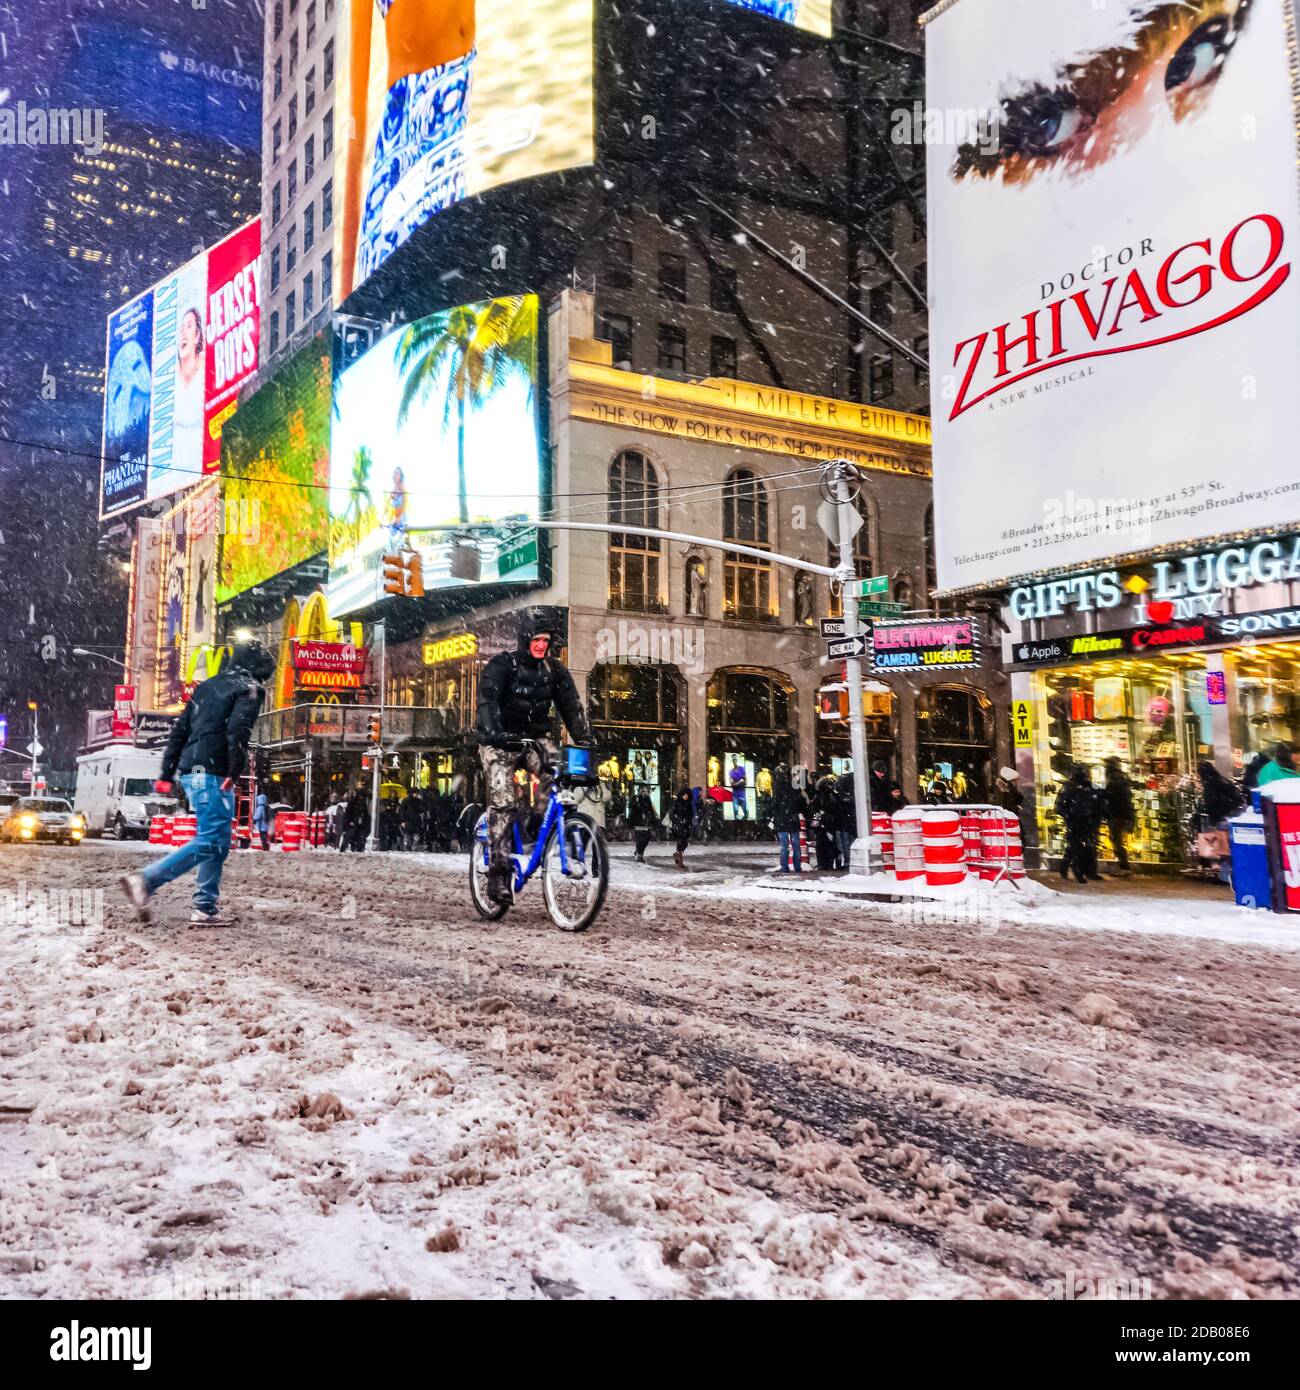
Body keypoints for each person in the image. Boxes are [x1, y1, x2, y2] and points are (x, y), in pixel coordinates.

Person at [119, 640, 275, 926]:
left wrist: (167, 773)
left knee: (217, 842)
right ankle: (146, 881)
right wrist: (234, 770)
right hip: (215, 770)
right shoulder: (249, 687)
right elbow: (238, 730)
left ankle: (205, 907)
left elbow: (180, 731)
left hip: (191, 769)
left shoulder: (207, 686)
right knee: (212, 839)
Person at [476, 616, 591, 904]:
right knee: (503, 802)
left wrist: (586, 740)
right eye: (536, 640)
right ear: (526, 640)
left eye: (545, 641)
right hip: (499, 742)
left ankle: (538, 826)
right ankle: (498, 876)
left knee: (561, 775)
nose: (541, 646)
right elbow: (487, 702)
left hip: (535, 740)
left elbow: (572, 709)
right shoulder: (502, 665)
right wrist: (494, 732)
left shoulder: (555, 671)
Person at [1054, 765, 1102, 885]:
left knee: (1085, 846)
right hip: (1076, 820)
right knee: (1076, 846)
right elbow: (1059, 806)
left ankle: (1086, 871)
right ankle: (1077, 870)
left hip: (1086, 821)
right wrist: (1069, 816)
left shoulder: (1087, 786)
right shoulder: (1070, 787)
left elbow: (1098, 801)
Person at [1198, 760, 1243, 885]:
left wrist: (1213, 821)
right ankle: (1234, 873)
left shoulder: (1209, 785)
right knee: (1231, 847)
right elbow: (1237, 797)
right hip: (1233, 816)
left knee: (1223, 849)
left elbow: (1211, 805)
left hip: (1221, 818)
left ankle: (1225, 875)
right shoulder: (1223, 781)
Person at [772, 767, 810, 874]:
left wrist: (772, 814)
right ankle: (797, 867)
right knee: (795, 844)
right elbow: (801, 802)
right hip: (793, 818)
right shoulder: (795, 786)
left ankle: (785, 867)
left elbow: (774, 804)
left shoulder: (778, 787)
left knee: (784, 846)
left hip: (782, 819)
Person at [1100, 757, 1135, 874]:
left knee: (1116, 840)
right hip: (1123, 812)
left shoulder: (1114, 778)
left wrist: (1101, 796)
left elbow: (1110, 795)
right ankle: (1124, 866)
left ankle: (1124, 867)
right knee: (1117, 839)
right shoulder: (1121, 777)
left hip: (1118, 813)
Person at [811, 774, 840, 870]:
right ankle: (830, 863)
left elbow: (814, 809)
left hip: (820, 822)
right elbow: (834, 809)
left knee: (821, 844)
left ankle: (823, 863)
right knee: (830, 843)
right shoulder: (832, 796)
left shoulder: (817, 795)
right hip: (829, 822)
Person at [833, 768, 857, 869]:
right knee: (851, 841)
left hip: (844, 821)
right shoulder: (853, 793)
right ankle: (851, 861)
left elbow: (838, 808)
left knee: (845, 842)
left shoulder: (840, 795)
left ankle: (848, 862)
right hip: (851, 820)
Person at [627, 787, 657, 863]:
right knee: (640, 840)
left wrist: (652, 819)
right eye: (643, 791)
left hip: (646, 822)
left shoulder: (647, 799)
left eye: (646, 791)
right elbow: (632, 809)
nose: (644, 792)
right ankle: (640, 855)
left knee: (646, 839)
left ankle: (638, 852)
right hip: (638, 822)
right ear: (639, 791)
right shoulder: (635, 798)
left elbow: (650, 810)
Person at [666, 787, 694, 869]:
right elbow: (671, 813)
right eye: (684, 794)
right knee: (680, 842)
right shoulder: (676, 803)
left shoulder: (689, 804)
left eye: (687, 795)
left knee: (685, 843)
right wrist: (677, 821)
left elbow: (690, 815)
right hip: (678, 825)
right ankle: (680, 862)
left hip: (686, 825)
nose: (686, 796)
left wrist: (688, 821)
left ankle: (677, 854)